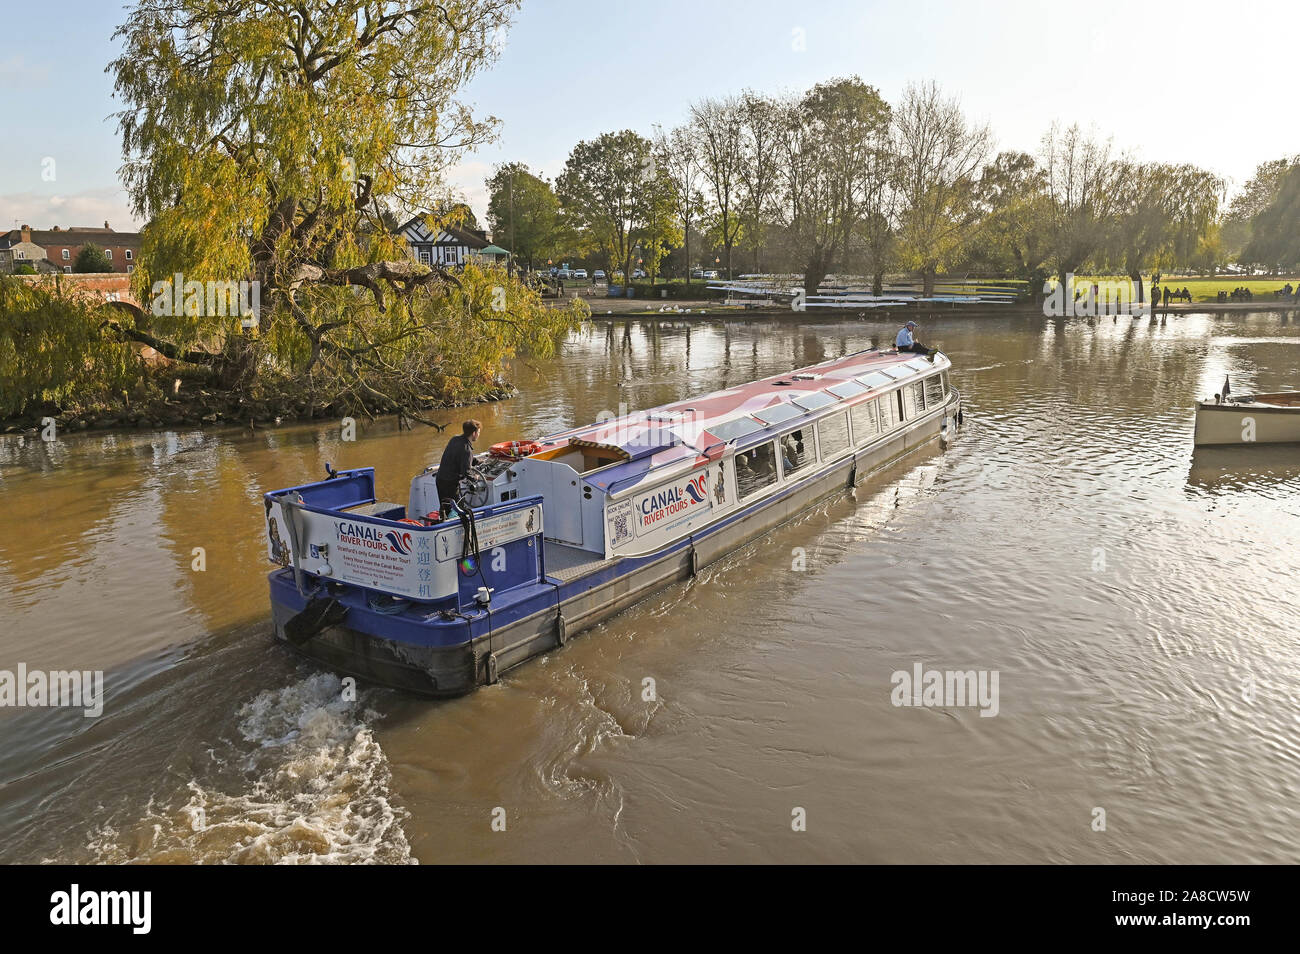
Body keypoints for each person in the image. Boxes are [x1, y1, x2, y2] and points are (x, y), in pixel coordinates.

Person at [435, 419, 482, 516]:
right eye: (478, 432)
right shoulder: (467, 450)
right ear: (474, 433)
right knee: (455, 508)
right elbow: (466, 472)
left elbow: (461, 456)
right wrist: (475, 477)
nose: (478, 435)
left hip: (440, 479)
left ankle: (443, 520)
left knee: (444, 505)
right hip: (450, 483)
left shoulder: (455, 439)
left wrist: (477, 462)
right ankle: (451, 525)